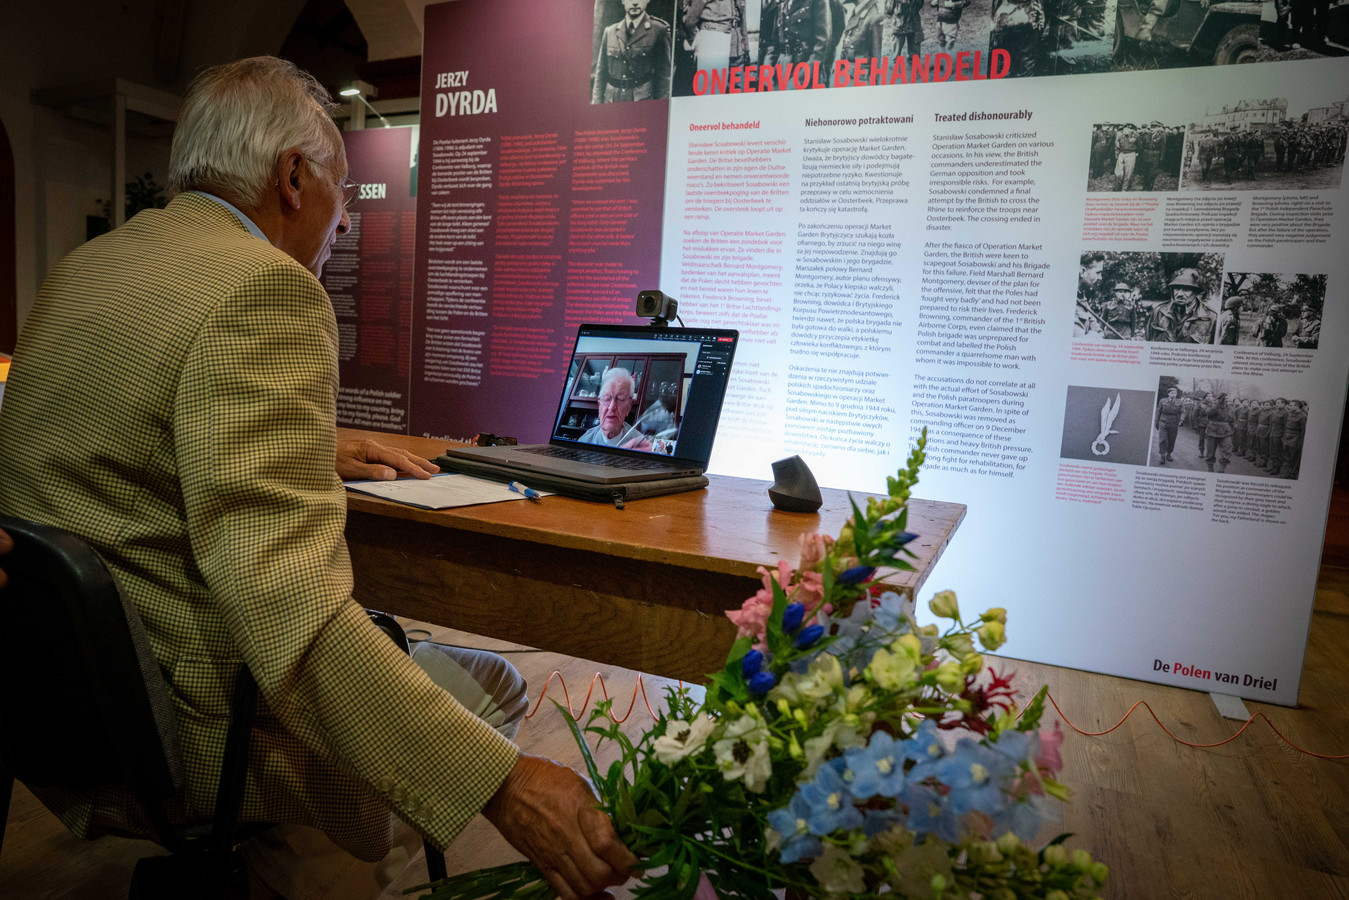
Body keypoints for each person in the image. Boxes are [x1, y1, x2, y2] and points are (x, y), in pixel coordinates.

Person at [0, 57, 636, 900]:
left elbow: (114, 435)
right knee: (489, 686)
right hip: (194, 726)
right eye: (341, 188)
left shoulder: (91, 267)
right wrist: (504, 785)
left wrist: (309, 442)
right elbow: (289, 615)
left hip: (60, 706)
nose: (344, 222)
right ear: (292, 178)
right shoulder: (264, 289)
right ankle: (326, 869)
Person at [592, 0, 673, 104]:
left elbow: (664, 78)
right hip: (611, 101)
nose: (635, 3)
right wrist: (596, 103)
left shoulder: (658, 30)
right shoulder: (610, 32)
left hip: (642, 100)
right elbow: (600, 74)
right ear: (623, 1)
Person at [579, 368, 654, 450]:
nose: (611, 407)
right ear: (599, 406)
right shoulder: (584, 440)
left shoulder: (640, 445)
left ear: (628, 407)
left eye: (620, 399)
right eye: (607, 399)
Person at [1146, 268, 1215, 344]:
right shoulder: (1159, 311)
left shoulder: (1210, 317)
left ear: (1197, 292)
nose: (1180, 294)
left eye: (1187, 289)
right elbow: (1149, 340)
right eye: (1177, 288)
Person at [681, 0, 749, 73]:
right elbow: (690, 21)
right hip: (713, 42)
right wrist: (695, 40)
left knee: (735, 82)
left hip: (737, 48)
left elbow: (742, 21)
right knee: (711, 81)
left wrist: (746, 48)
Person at [1203, 394, 1235, 474]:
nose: (1226, 401)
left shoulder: (1231, 409)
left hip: (1225, 430)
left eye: (1228, 400)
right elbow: (1207, 414)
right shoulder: (1212, 406)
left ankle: (1222, 468)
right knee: (1210, 450)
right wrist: (1216, 406)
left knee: (1227, 448)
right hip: (1212, 430)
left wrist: (1232, 427)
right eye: (1224, 399)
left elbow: (1232, 420)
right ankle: (1210, 468)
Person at [1155, 387, 1184, 464]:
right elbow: (1158, 412)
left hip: (1174, 422)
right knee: (1163, 439)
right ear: (1168, 393)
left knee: (1172, 439)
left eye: (1175, 393)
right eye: (1172, 393)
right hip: (1163, 421)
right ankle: (1162, 455)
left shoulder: (1180, 402)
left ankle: (1169, 454)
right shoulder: (1162, 401)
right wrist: (1156, 422)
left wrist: (1181, 420)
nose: (1174, 394)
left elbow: (1183, 412)